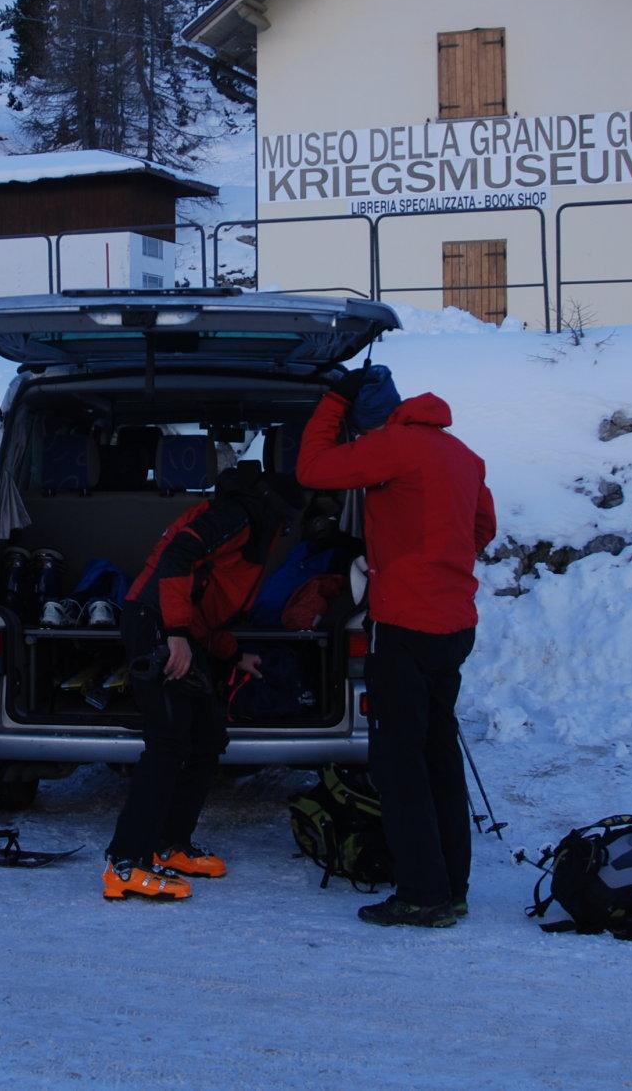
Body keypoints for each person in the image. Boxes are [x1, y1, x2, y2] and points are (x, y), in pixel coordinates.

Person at [297, 366, 494, 929]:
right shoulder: (462, 454)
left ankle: (421, 895)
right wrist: (438, 562)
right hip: (453, 623)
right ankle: (450, 889)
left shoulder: (393, 445)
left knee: (398, 761)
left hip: (405, 624)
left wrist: (335, 400)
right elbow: (482, 526)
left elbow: (312, 468)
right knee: (438, 755)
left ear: (372, 421)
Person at [102, 461, 302, 902]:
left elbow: (205, 602)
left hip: (182, 627)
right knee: (168, 743)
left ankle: (169, 845)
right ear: (277, 512)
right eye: (286, 524)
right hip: (156, 624)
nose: (284, 533)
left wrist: (234, 654)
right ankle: (125, 863)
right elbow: (177, 557)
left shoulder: (248, 521)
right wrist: (174, 634)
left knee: (207, 739)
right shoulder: (235, 516)